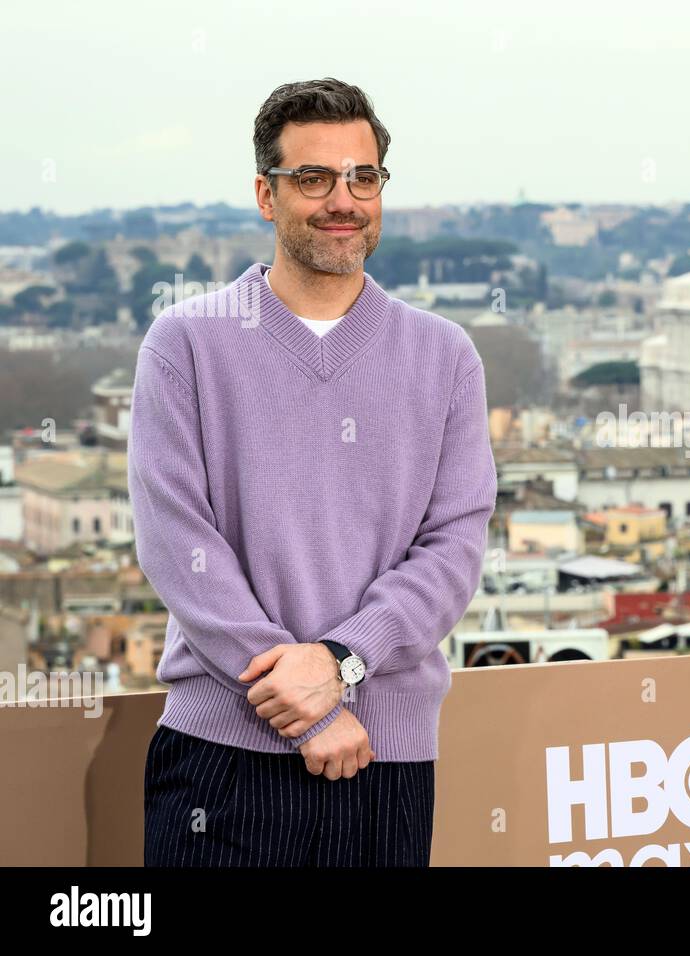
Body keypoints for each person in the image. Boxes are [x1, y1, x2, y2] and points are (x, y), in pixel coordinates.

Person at [132, 77, 496, 866]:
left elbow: (454, 550)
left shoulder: (445, 356)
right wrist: (310, 708)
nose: (344, 200)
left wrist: (339, 662)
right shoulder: (186, 344)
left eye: (363, 178)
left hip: (386, 760)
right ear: (266, 195)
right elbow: (175, 543)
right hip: (220, 762)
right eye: (314, 179)